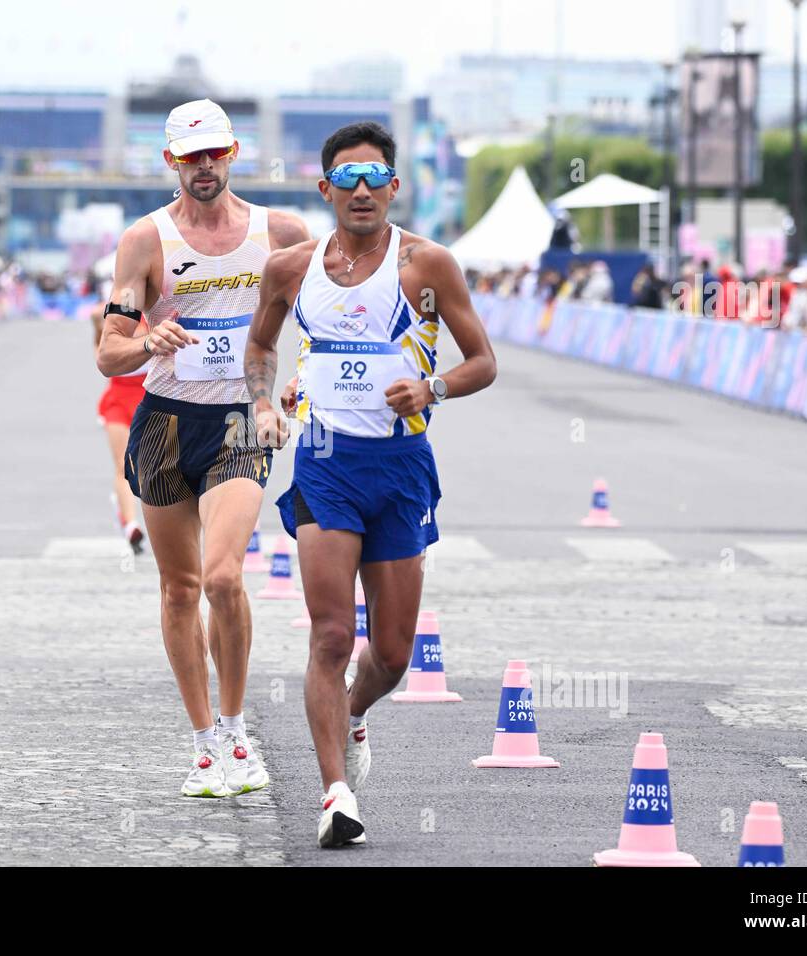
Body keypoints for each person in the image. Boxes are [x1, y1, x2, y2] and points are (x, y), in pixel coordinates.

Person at [244, 121, 497, 847]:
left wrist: (433, 388)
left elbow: (482, 360)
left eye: (374, 177)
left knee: (391, 652)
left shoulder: (428, 265)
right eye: (346, 179)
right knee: (330, 634)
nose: (362, 191)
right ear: (324, 189)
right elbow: (260, 345)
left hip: (401, 466)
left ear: (394, 186)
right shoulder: (291, 268)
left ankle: (355, 712)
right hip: (325, 461)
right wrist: (264, 404)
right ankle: (334, 796)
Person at [95, 99, 310, 798]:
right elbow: (108, 353)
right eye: (192, 157)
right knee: (180, 587)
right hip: (164, 424)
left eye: (215, 153)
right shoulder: (145, 241)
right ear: (171, 163)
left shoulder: (281, 232)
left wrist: (290, 394)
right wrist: (143, 341)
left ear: (234, 152)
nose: (206, 167)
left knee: (222, 578)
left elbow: (324, 326)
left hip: (238, 425)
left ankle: (238, 726)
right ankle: (205, 745)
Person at [91, 276, 147, 555]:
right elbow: (100, 359)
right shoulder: (107, 320)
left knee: (149, 466)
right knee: (123, 465)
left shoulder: (154, 315)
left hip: (147, 397)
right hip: (118, 399)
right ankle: (131, 525)